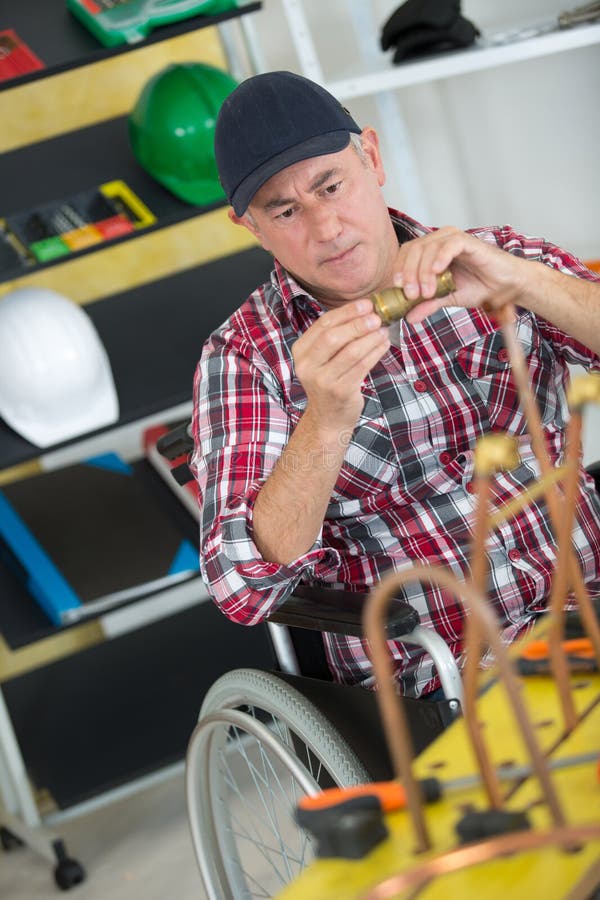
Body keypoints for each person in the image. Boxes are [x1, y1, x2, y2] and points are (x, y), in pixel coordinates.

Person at [190, 70, 600, 698]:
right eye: (286, 210)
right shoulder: (244, 357)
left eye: (332, 186)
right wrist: (324, 421)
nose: (326, 227)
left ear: (372, 159)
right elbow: (242, 586)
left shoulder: (490, 254)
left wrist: (526, 284)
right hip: (450, 669)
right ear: (249, 225)